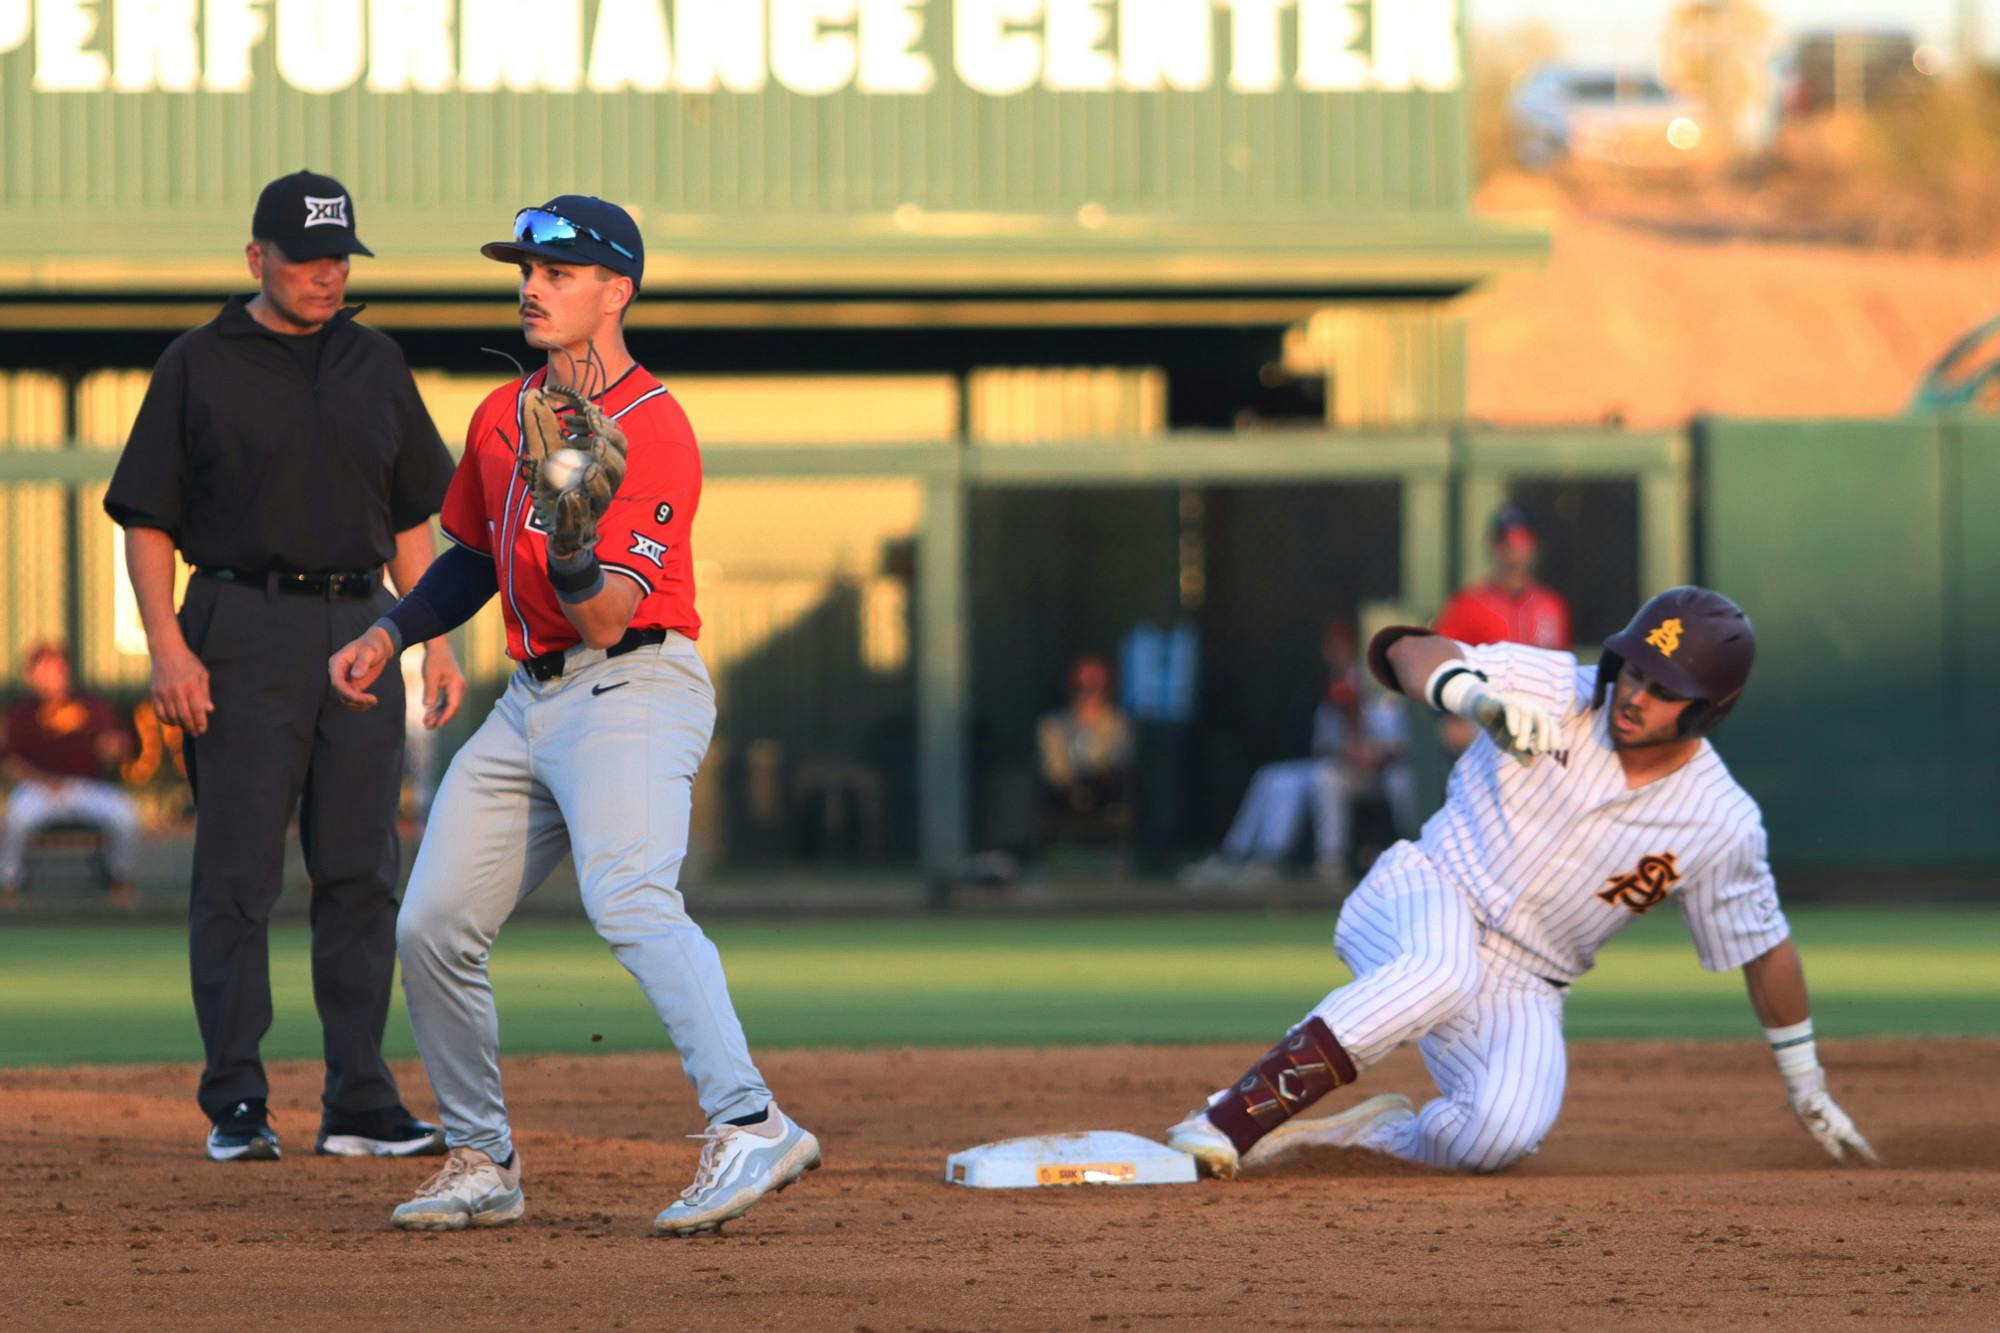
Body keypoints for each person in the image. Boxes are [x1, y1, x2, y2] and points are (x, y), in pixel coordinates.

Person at [327, 195, 820, 1236]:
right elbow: (466, 551)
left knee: (630, 900)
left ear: (616, 290)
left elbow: (602, 612)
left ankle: (751, 1121)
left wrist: (568, 535)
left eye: (558, 272)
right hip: (529, 700)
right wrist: (392, 632)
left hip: (633, 684)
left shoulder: (655, 429)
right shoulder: (502, 414)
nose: (531, 286)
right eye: (526, 269)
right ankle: (483, 1159)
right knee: (431, 924)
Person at [1165, 588, 1877, 1177]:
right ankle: (1229, 1118)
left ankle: (1356, 1135)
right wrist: (1475, 698)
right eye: (1631, 670)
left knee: (1501, 1130)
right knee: (1438, 969)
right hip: (1424, 889)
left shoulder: (1720, 820)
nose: (1634, 695)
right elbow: (1401, 649)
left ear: (1708, 709)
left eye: (1664, 691)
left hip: (1527, 979)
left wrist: (1806, 1083)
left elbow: (1764, 946)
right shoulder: (1558, 688)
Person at [103, 170, 464, 1164]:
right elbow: (146, 520)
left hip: (362, 625)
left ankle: (359, 1098)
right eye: (305, 258)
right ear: (255, 257)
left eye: (339, 258)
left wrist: (433, 636)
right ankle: (237, 1102)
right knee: (238, 874)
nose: (325, 274)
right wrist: (167, 646)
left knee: (360, 871)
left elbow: (408, 518)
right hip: (238, 625)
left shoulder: (375, 360)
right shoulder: (197, 362)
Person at [1181, 622, 1414, 889]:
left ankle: (1330, 861)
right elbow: (1323, 747)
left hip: (1380, 777)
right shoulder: (1331, 700)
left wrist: (1373, 754)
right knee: (1273, 777)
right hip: (1343, 770)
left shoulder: (1380, 693)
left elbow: (1401, 747)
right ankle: (1240, 854)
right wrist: (1347, 749)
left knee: (1329, 778)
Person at [0, 645, 141, 908]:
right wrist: (42, 781)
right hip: (39, 789)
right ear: (31, 676)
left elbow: (117, 747)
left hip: (86, 789)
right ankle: (9, 882)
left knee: (125, 811)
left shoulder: (92, 706)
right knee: (17, 814)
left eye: (56, 669)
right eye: (44, 670)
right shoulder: (21, 714)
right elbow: (11, 762)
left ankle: (119, 879)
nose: (53, 676)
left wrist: (113, 748)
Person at [1434, 504, 1573, 651]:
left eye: (1522, 542)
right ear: (1493, 547)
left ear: (1535, 547)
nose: (1513, 553)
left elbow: (1562, 664)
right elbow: (1442, 657)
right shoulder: (1467, 605)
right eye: (1505, 544)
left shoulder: (1552, 606)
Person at [1036, 655, 1135, 829]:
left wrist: (1093, 778)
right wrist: (1075, 787)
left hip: (1106, 797)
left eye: (1096, 686)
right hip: (1063, 800)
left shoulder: (1118, 725)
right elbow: (1055, 770)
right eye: (1082, 687)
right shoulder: (1053, 725)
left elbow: (1118, 763)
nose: (1089, 694)